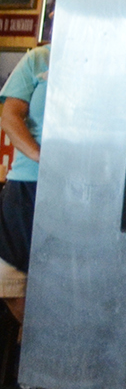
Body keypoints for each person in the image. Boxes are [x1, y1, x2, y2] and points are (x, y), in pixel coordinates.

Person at [0, 42, 49, 325]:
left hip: (85, 186)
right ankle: (36, 344)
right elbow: (9, 116)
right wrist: (39, 156)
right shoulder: (39, 59)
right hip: (28, 181)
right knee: (11, 278)